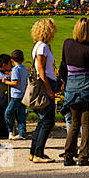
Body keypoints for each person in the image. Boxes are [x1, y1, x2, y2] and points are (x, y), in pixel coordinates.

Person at [58, 18, 89, 166]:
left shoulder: (67, 44)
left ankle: (68, 155)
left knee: (74, 123)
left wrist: (65, 82)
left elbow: (63, 66)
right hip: (87, 88)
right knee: (86, 124)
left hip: (72, 87)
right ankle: (83, 156)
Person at [28, 18, 59, 164]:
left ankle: (34, 152)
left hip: (47, 82)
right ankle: (38, 152)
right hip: (46, 83)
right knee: (48, 120)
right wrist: (48, 89)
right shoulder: (43, 47)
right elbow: (41, 69)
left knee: (43, 120)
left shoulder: (39, 46)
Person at [3, 49, 29, 140]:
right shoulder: (24, 68)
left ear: (12, 60)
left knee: (8, 112)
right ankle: (22, 132)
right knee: (21, 114)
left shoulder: (15, 69)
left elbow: (15, 83)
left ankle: (10, 131)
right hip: (23, 94)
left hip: (16, 95)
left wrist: (6, 82)